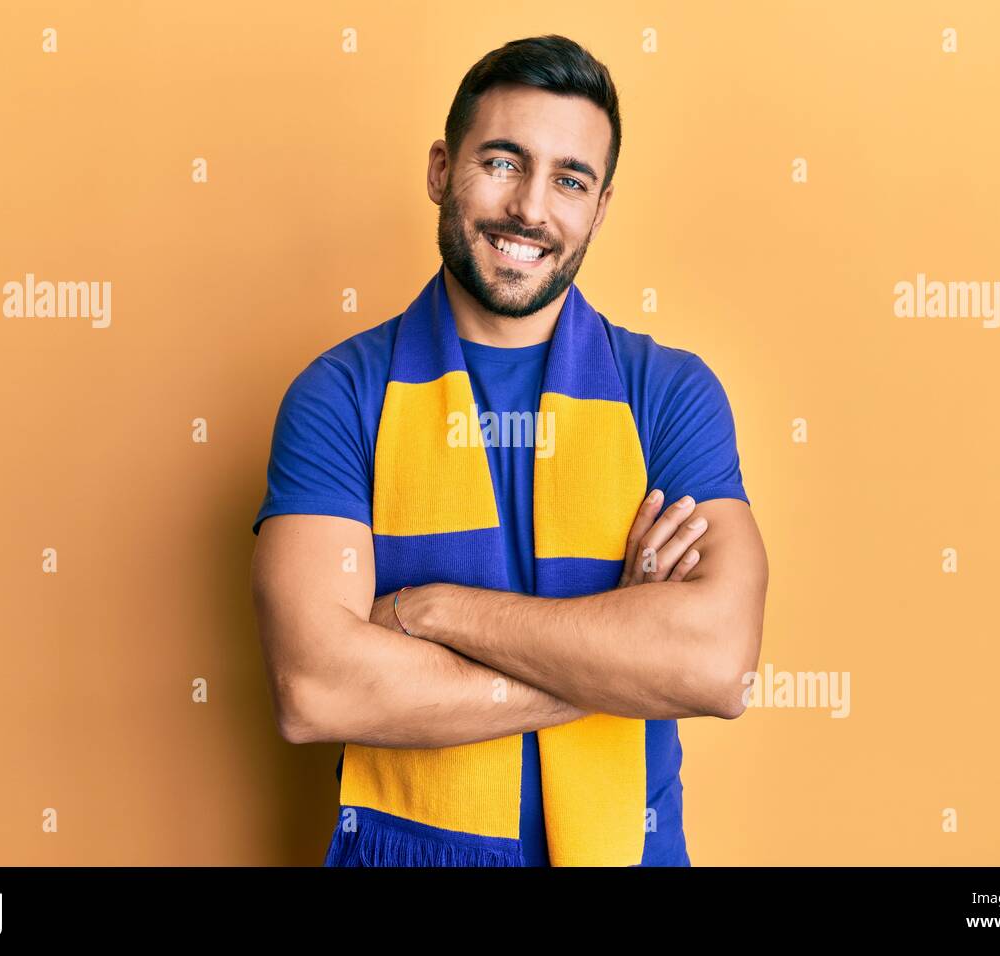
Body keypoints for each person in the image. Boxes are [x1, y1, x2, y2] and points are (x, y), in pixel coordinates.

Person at [250, 34, 768, 867]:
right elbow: (317, 689)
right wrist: (617, 663)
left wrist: (428, 612)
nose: (531, 208)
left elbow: (713, 665)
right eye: (502, 161)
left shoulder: (669, 392)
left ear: (599, 209)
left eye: (570, 179)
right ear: (439, 171)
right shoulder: (339, 394)